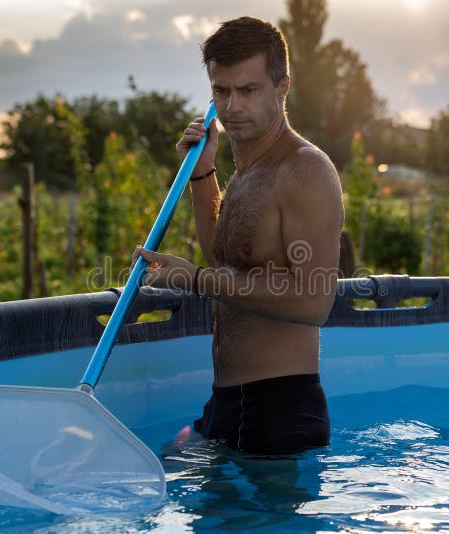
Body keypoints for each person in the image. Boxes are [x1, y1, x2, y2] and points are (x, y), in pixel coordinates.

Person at [132, 16, 344, 455]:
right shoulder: (247, 175)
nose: (232, 107)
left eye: (248, 91)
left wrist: (195, 280)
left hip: (280, 408)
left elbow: (315, 302)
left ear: (283, 87)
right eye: (221, 91)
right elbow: (224, 262)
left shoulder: (304, 169)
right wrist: (203, 172)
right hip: (228, 403)